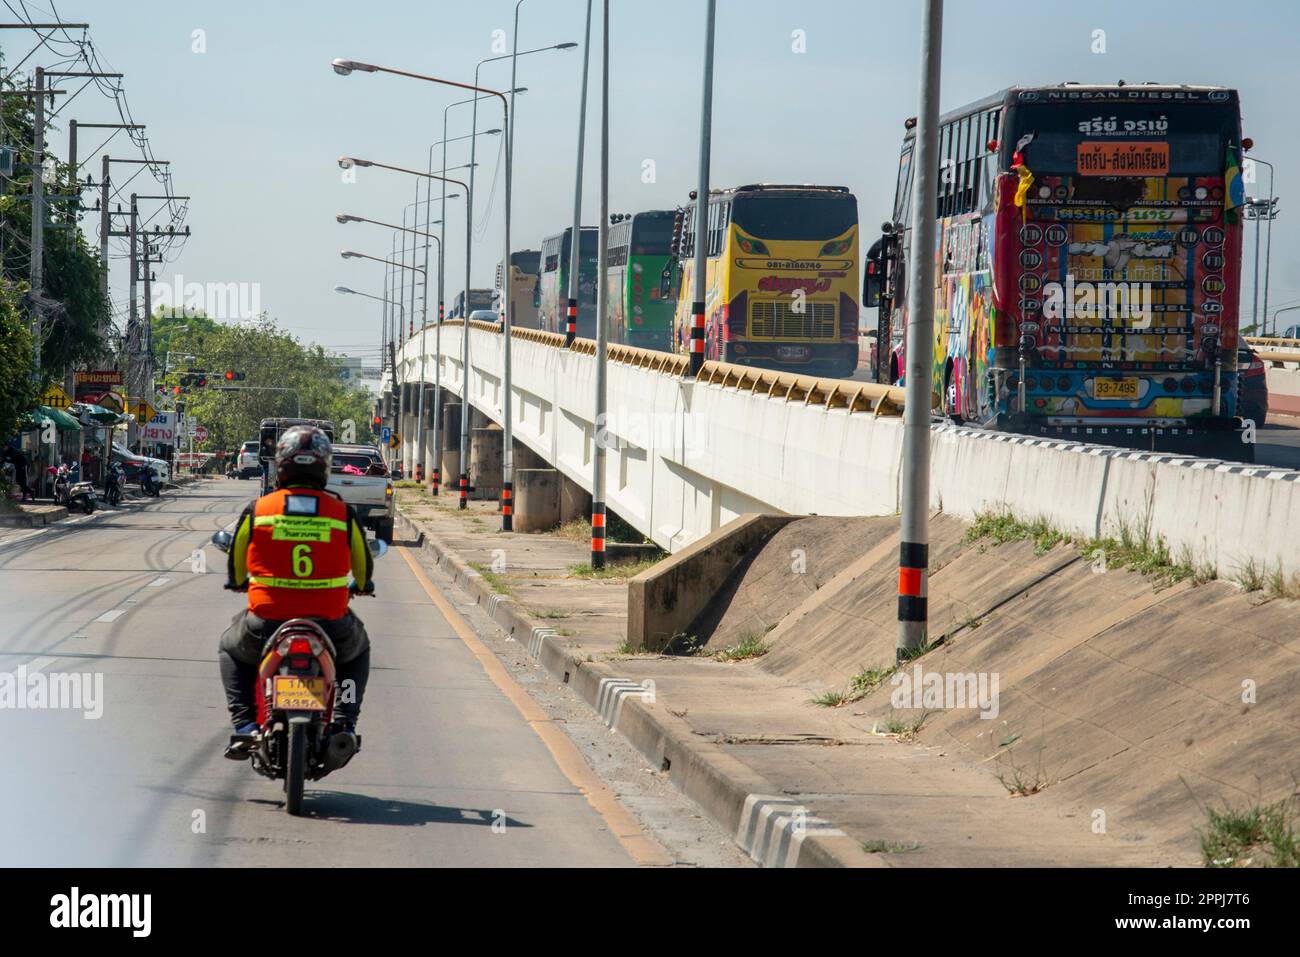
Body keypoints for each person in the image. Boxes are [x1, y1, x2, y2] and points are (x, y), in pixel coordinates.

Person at [219, 425, 374, 760]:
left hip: (267, 619)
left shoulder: (259, 510)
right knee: (357, 653)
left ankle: (245, 725)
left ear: (282, 464)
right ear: (324, 466)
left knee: (231, 649)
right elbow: (363, 569)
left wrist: (237, 581)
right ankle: (345, 724)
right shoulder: (342, 513)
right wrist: (362, 587)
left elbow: (235, 563)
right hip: (331, 619)